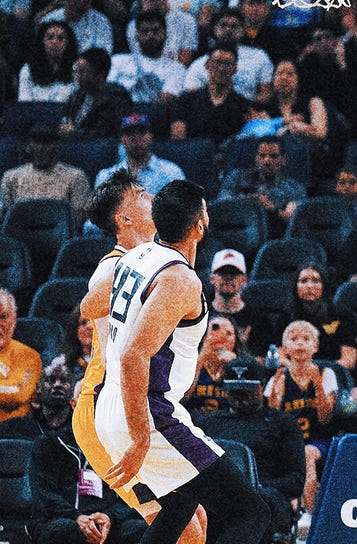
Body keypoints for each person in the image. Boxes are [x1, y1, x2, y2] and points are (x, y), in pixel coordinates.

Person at [94, 179, 270, 543]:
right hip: (146, 414)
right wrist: (141, 437)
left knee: (180, 504)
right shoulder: (180, 280)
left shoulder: (133, 258)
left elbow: (89, 305)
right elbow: (133, 355)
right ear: (201, 225)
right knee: (252, 512)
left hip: (113, 406)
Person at [74, 171, 205, 543]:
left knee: (196, 516)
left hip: (136, 403)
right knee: (185, 530)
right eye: (142, 193)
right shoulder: (114, 264)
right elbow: (88, 307)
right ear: (125, 218)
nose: (153, 196)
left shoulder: (156, 262)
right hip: (105, 403)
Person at [30, 363, 150, 544]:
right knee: (64, 530)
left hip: (107, 521)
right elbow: (44, 494)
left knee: (139, 529)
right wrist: (77, 518)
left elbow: (134, 495)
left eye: (100, 399)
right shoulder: (48, 444)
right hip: (62, 519)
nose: (95, 405)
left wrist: (110, 517)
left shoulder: (120, 447)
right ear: (73, 404)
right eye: (89, 398)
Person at [192, 360, 305, 540]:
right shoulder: (207, 422)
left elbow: (296, 481)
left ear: (262, 387)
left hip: (262, 493)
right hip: (217, 495)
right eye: (234, 390)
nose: (241, 396)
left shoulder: (283, 423)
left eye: (248, 390)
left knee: (260, 504)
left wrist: (252, 487)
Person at [265, 320, 336, 525]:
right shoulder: (278, 378)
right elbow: (272, 422)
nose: (300, 344)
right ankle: (296, 513)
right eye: (294, 339)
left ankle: (311, 516)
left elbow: (325, 418)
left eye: (306, 339)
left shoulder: (326, 374)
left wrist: (318, 386)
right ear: (285, 348)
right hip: (288, 443)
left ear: (315, 346)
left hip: (318, 439)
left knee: (307, 454)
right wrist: (274, 399)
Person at [218, 136, 307, 238]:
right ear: (256, 158)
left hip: (274, 236)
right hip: (237, 234)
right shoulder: (237, 178)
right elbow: (221, 204)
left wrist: (272, 209)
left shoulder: (294, 188)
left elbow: (293, 219)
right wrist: (247, 202)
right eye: (262, 156)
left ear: (283, 159)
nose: (267, 161)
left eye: (273, 156)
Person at [0, 123, 91, 217]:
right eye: (36, 142)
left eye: (46, 143)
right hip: (21, 229)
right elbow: (6, 218)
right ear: (28, 146)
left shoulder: (75, 176)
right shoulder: (11, 177)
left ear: (57, 146)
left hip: (61, 229)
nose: (41, 148)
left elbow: (79, 217)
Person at [168, 46, 251, 144]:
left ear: (235, 69)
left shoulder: (243, 106)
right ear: (207, 66)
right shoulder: (186, 100)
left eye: (227, 64)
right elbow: (178, 138)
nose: (221, 68)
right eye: (217, 63)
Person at [290, 263, 357, 370]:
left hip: (332, 375)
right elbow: (281, 357)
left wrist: (319, 372)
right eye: (304, 281)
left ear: (324, 286)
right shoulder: (287, 317)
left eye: (316, 281)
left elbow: (349, 360)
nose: (309, 286)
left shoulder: (343, 316)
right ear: (296, 287)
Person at [94, 114, 185, 195]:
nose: (137, 139)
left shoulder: (171, 172)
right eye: (130, 134)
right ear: (121, 140)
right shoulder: (106, 177)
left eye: (142, 133)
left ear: (151, 136)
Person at [108, 11, 186, 105]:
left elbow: (166, 100)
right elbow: (108, 90)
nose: (150, 35)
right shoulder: (117, 61)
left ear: (166, 34)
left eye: (156, 31)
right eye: (145, 32)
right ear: (137, 36)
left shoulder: (177, 68)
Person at [61, 49, 134, 139]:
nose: (77, 76)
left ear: (99, 75)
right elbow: (65, 116)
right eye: (76, 70)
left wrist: (75, 132)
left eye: (83, 71)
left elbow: (106, 133)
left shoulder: (117, 97)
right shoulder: (78, 94)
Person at [182, 315, 243, 414]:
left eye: (229, 333)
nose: (222, 338)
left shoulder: (241, 365)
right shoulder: (189, 361)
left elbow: (244, 405)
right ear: (204, 337)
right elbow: (182, 399)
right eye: (216, 330)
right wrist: (202, 357)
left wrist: (235, 365)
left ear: (235, 340)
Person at [0, 287, 42, 425]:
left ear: (14, 320)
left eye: (3, 317)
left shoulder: (28, 356)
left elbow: (19, 394)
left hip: (12, 432)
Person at [19, 20, 78, 102]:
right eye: (50, 37)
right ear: (42, 42)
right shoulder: (27, 70)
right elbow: (24, 102)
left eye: (60, 38)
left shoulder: (76, 69)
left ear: (68, 43)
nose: (55, 42)